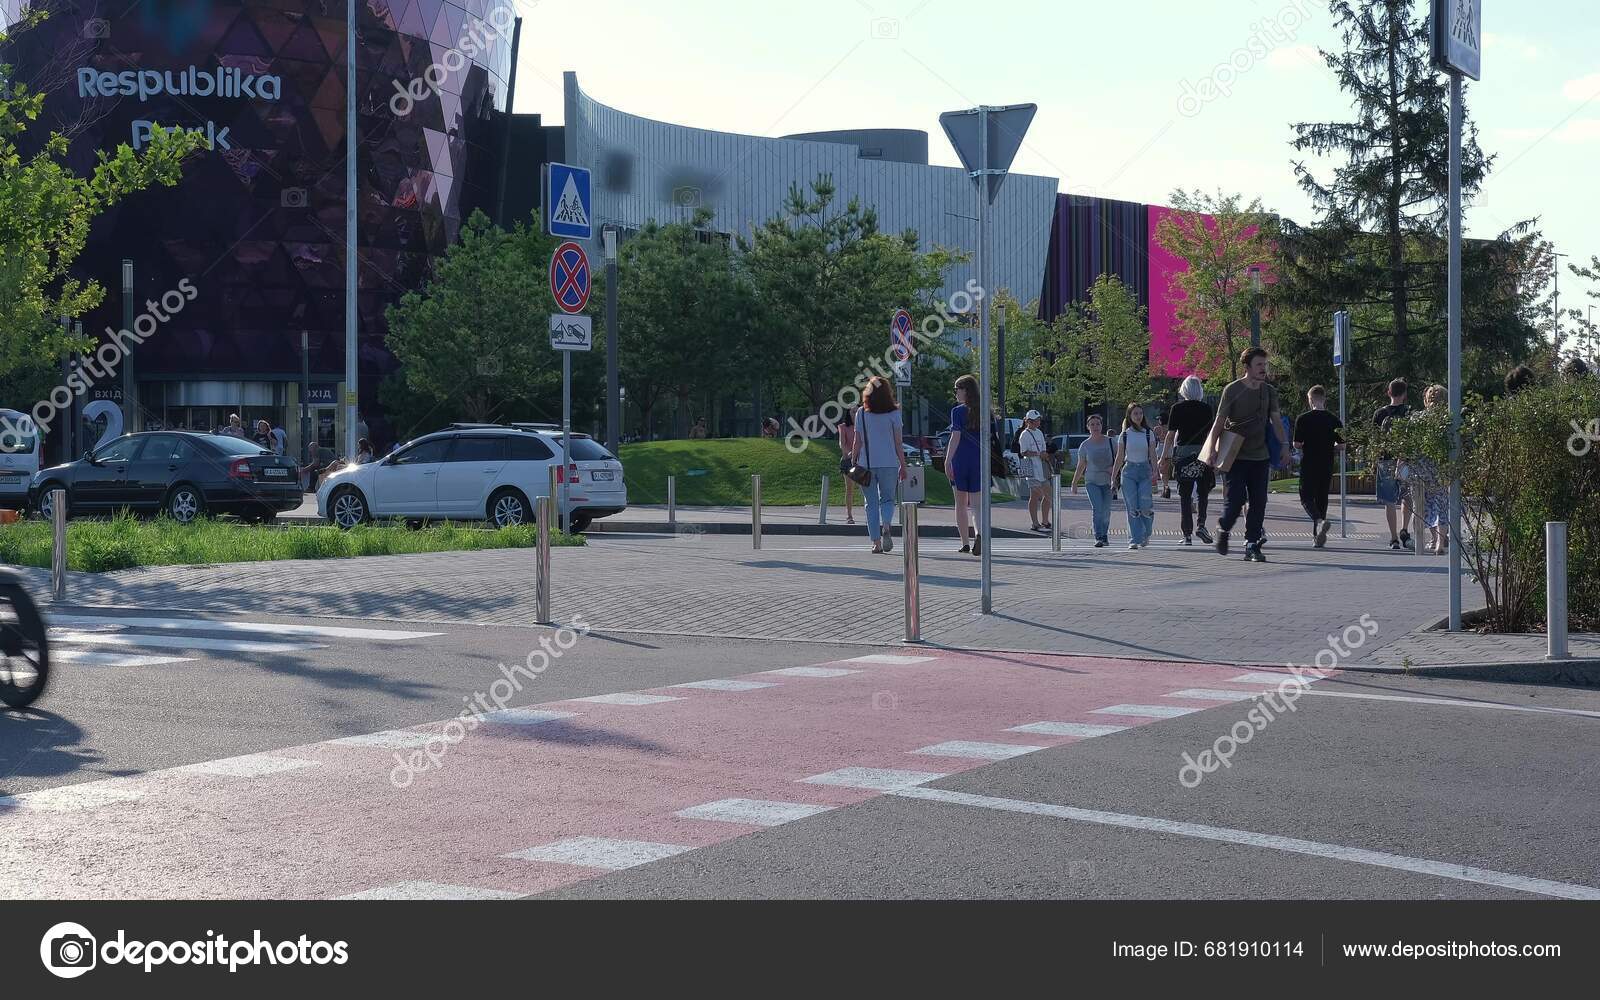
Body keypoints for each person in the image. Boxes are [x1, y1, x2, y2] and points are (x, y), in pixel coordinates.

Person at [1205, 346, 1291, 563]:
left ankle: (1251, 544)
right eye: (1259, 365)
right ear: (1247, 367)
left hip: (1260, 456)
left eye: (1265, 364)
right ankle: (1223, 528)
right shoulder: (1232, 390)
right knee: (1235, 501)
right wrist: (1213, 449)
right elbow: (1219, 422)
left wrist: (1284, 445)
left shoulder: (1269, 392)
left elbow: (1276, 422)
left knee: (1259, 501)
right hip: (1235, 456)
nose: (1264, 369)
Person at [853, 376, 907, 555]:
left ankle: (876, 543)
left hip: (866, 464)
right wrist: (903, 465)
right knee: (888, 500)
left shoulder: (861, 413)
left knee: (871, 503)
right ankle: (886, 525)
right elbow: (899, 442)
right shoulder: (894, 413)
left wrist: (853, 461)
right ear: (887, 393)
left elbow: (857, 441)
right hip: (890, 464)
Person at [1165, 375, 1215, 546]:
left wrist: (1165, 456)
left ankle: (1187, 534)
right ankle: (1201, 525)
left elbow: (1170, 436)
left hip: (1184, 454)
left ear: (1184, 390)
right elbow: (1211, 434)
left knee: (1185, 495)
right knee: (1203, 492)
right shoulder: (1207, 409)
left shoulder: (1177, 408)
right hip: (1202, 452)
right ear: (1200, 390)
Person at [1292, 385, 1344, 548]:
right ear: (1324, 399)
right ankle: (1317, 536)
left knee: (1306, 497)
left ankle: (1318, 520)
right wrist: (1331, 446)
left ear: (1311, 399)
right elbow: (1342, 445)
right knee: (1322, 497)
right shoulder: (1334, 420)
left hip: (1309, 463)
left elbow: (1297, 444)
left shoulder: (1303, 419)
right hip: (1327, 462)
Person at [1407, 384, 1450, 554]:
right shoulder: (1447, 420)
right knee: (1442, 505)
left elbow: (1409, 444)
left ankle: (1430, 539)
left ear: (1426, 400)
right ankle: (1440, 542)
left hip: (1420, 469)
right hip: (1441, 469)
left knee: (1423, 506)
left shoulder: (1416, 419)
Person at [1373, 378, 1414, 551]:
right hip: (1404, 461)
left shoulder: (1380, 414)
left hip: (1385, 460)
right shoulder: (1409, 413)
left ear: (1388, 392)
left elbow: (1375, 439)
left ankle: (1394, 538)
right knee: (1407, 496)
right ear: (1404, 394)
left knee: (1389, 500)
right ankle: (1404, 529)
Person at [945, 374, 983, 555]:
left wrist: (947, 460)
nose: (955, 393)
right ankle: (979, 533)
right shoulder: (985, 412)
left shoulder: (957, 412)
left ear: (965, 390)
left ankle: (965, 543)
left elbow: (956, 437)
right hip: (978, 461)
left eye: (956, 389)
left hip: (960, 460)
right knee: (976, 504)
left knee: (960, 503)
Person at [1110, 402, 1157, 549]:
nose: (1138, 416)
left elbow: (1153, 454)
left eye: (1140, 413)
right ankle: (1134, 539)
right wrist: (1113, 476)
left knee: (1144, 507)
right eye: (1135, 413)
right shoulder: (1124, 435)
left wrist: (1155, 471)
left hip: (1144, 471)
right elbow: (1119, 456)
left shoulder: (1148, 433)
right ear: (1129, 416)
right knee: (1132, 507)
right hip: (1129, 471)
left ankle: (1146, 532)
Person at [1070, 413, 1117, 547]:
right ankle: (1099, 536)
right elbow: (1081, 465)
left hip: (1108, 481)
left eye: (1098, 424)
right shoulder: (1085, 445)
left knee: (1106, 510)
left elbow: (1121, 457)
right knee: (1097, 508)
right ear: (1088, 427)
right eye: (1092, 424)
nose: (1095, 427)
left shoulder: (1110, 441)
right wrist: (1074, 483)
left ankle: (1104, 534)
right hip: (1092, 481)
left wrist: (1114, 468)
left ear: (1101, 425)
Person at [1017, 409, 1051, 532]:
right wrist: (1038, 454)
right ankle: (1035, 522)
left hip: (1041, 466)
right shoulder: (1024, 434)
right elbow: (1023, 452)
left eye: (1039, 420)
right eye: (1036, 420)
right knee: (1035, 495)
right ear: (1029, 421)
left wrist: (1044, 454)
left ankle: (1045, 520)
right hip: (1030, 466)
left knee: (1048, 495)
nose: (1038, 422)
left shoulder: (1040, 433)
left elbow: (1043, 448)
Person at [838, 407, 858, 524]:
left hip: (861, 461)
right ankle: (849, 515)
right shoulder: (843, 427)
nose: (855, 414)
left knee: (866, 488)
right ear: (848, 413)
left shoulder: (863, 426)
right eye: (853, 411)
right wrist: (849, 453)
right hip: (849, 461)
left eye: (857, 411)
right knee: (850, 489)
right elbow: (842, 443)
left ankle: (870, 515)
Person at [1152, 411, 1171, 499]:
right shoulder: (1171, 428)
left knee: (1162, 470)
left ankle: (1166, 487)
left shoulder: (1157, 429)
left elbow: (1154, 439)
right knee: (1166, 469)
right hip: (1170, 448)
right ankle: (1165, 488)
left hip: (1160, 448)